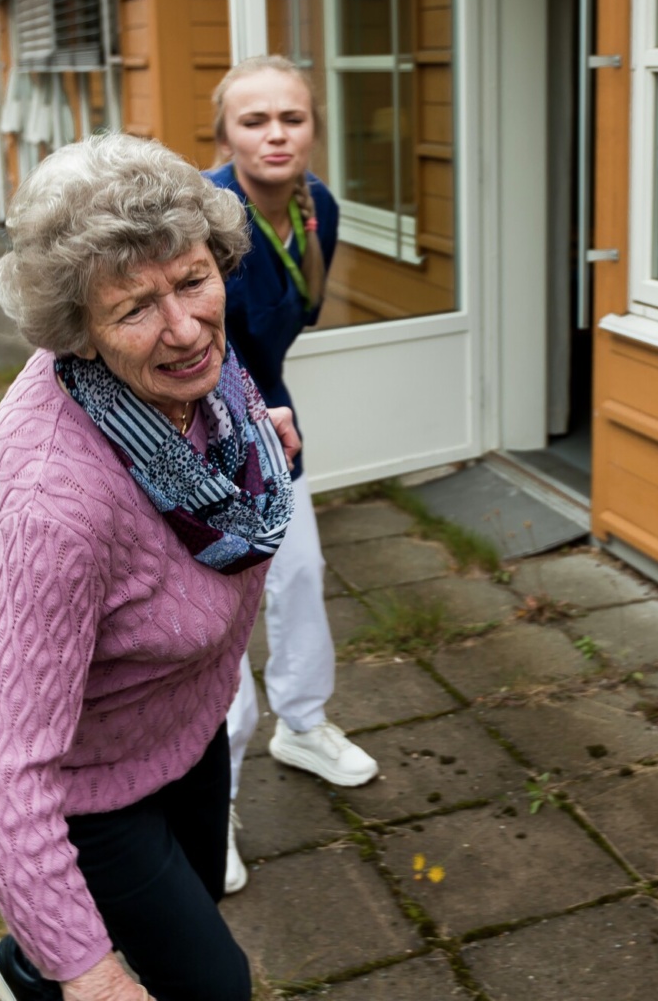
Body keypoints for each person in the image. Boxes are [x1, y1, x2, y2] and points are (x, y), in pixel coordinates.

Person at [0, 133, 300, 1001]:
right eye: (136, 308)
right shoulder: (53, 501)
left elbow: (231, 424)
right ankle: (43, 965)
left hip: (185, 728)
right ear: (80, 332)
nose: (184, 328)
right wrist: (92, 978)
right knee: (212, 985)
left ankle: (28, 956)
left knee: (187, 912)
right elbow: (4, 769)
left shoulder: (202, 380)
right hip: (90, 780)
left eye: (193, 280)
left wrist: (266, 439)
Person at [204, 55, 379, 893]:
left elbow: (288, 323)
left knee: (300, 574)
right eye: (254, 121)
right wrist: (237, 425)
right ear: (225, 134)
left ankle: (302, 725)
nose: (276, 134)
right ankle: (211, 797)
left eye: (292, 118)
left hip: (273, 422)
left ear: (314, 125)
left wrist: (270, 420)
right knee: (220, 615)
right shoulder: (201, 218)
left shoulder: (321, 210)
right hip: (194, 435)